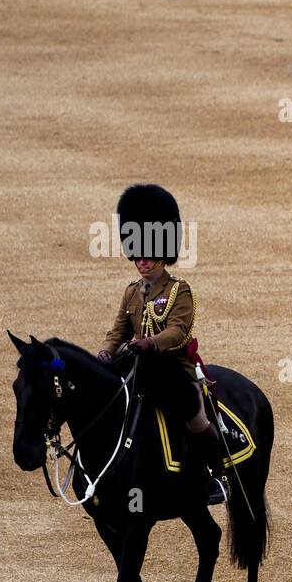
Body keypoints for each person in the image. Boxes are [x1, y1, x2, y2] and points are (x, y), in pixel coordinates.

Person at [98, 184, 228, 504]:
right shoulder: (131, 292)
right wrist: (105, 352)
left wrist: (150, 344)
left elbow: (178, 331)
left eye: (148, 254)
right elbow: (117, 330)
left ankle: (215, 475)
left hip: (171, 367)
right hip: (136, 364)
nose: (141, 261)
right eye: (136, 254)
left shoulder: (179, 291)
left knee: (191, 414)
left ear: (162, 254)